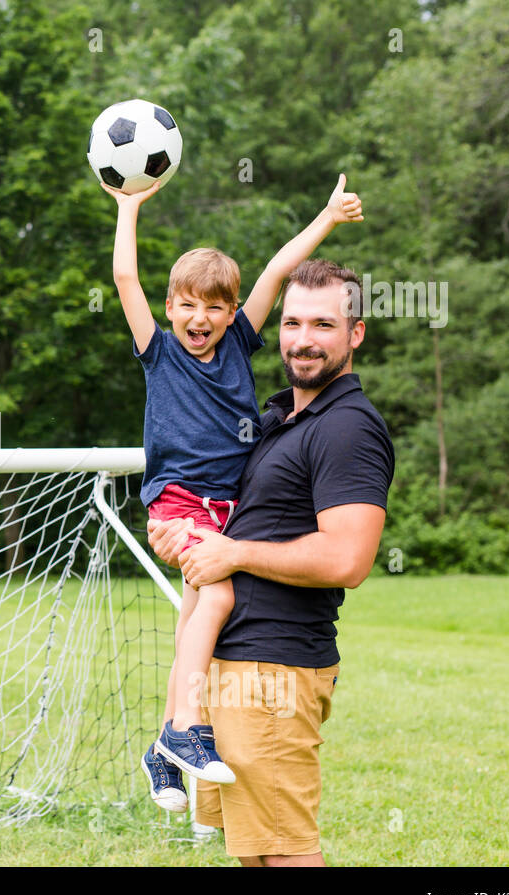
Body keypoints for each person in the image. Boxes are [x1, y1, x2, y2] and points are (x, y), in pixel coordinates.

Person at [104, 174, 364, 812]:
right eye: (189, 306)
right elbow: (124, 281)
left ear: (232, 311)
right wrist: (128, 208)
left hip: (229, 508)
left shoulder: (238, 346)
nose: (202, 319)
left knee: (195, 618)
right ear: (172, 308)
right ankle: (186, 728)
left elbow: (279, 268)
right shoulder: (158, 352)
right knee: (217, 594)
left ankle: (160, 750)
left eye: (217, 307)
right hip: (181, 502)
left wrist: (327, 216)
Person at [146, 258, 395, 865]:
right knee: (254, 853)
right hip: (232, 666)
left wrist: (232, 552)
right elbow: (222, 513)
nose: (303, 340)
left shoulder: (347, 428)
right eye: (292, 323)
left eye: (323, 325)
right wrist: (178, 534)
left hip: (276, 668)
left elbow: (348, 558)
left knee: (284, 853)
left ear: (355, 333)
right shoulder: (277, 419)